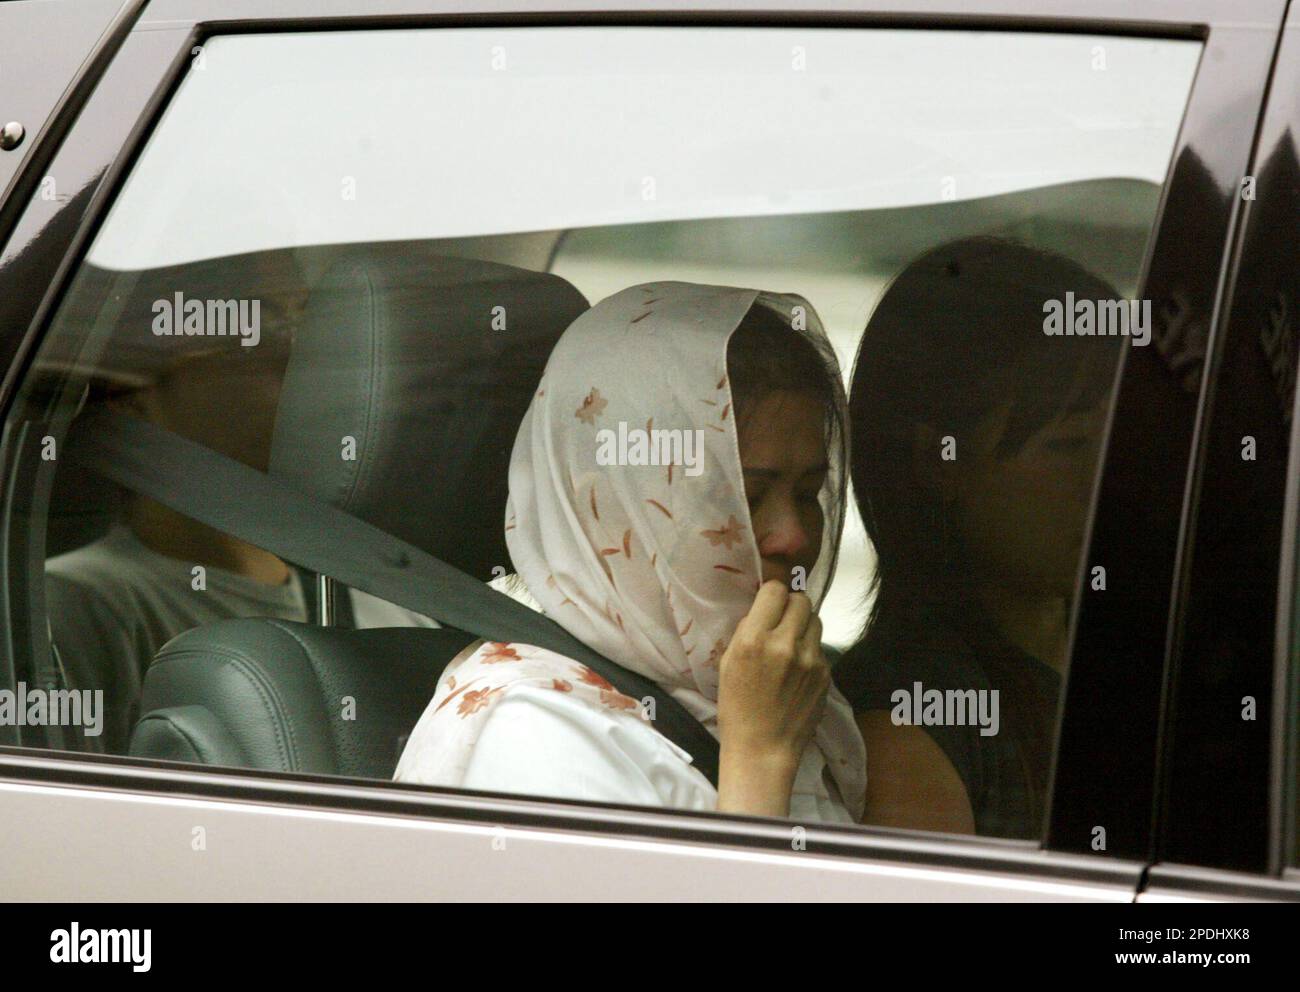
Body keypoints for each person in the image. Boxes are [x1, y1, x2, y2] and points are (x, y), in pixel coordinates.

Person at [396, 281, 867, 820]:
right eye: (743, 498)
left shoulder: (784, 695)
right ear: (605, 504)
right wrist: (759, 759)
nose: (795, 537)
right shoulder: (536, 731)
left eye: (807, 494)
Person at [834, 236, 1124, 838]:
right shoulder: (909, 718)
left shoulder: (1163, 650)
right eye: (1070, 447)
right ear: (938, 461)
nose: (1111, 478)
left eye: (1124, 434)